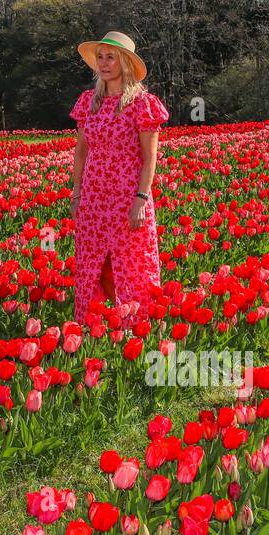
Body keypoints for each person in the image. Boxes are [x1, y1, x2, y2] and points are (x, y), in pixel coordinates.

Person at [68, 31, 168, 322]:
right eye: (100, 57)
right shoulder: (90, 103)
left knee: (131, 261)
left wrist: (141, 197)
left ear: (124, 62)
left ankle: (138, 322)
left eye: (110, 57)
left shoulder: (142, 104)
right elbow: (81, 153)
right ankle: (98, 322)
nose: (103, 63)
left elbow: (150, 157)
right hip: (94, 197)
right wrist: (77, 192)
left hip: (127, 197)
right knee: (94, 262)